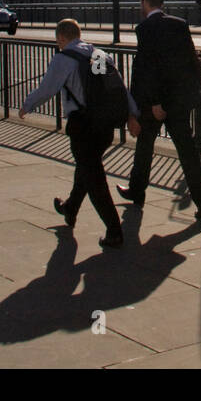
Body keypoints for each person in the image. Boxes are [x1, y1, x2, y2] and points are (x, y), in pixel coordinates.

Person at [19, 18, 139, 249]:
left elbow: (48, 87)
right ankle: (70, 208)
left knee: (94, 177)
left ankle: (114, 230)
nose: (58, 45)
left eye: (58, 41)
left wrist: (28, 105)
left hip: (83, 125)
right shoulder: (97, 55)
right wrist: (132, 114)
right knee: (86, 167)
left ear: (62, 37)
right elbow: (116, 88)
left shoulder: (64, 58)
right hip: (104, 125)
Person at [117, 0, 201, 222]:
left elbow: (148, 72)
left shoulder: (146, 30)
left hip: (157, 103)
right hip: (178, 100)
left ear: (145, 2)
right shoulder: (179, 25)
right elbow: (188, 64)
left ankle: (137, 192)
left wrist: (150, 106)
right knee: (187, 152)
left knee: (145, 146)